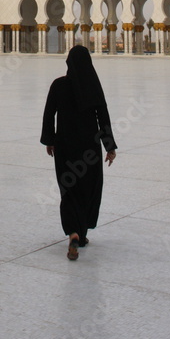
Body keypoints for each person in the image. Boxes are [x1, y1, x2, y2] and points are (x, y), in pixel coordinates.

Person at [41, 44, 117, 260]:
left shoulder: (58, 85)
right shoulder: (93, 85)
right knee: (87, 189)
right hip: (89, 149)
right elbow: (103, 117)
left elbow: (49, 115)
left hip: (65, 145)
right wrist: (109, 147)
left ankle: (73, 232)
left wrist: (49, 140)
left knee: (69, 190)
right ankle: (81, 234)